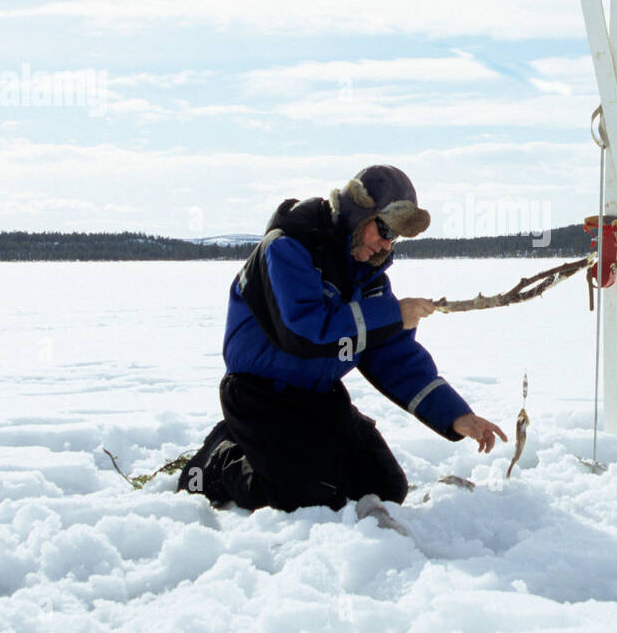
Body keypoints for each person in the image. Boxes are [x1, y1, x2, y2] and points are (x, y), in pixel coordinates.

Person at [178, 164, 506, 513]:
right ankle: (221, 457)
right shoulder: (289, 246)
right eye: (383, 229)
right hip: (258, 396)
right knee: (304, 499)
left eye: (393, 237)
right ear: (357, 212)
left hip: (319, 397)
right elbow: (303, 332)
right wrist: (394, 314)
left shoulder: (369, 276)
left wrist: (456, 416)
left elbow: (392, 358)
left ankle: (273, 453)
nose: (385, 243)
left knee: (385, 486)